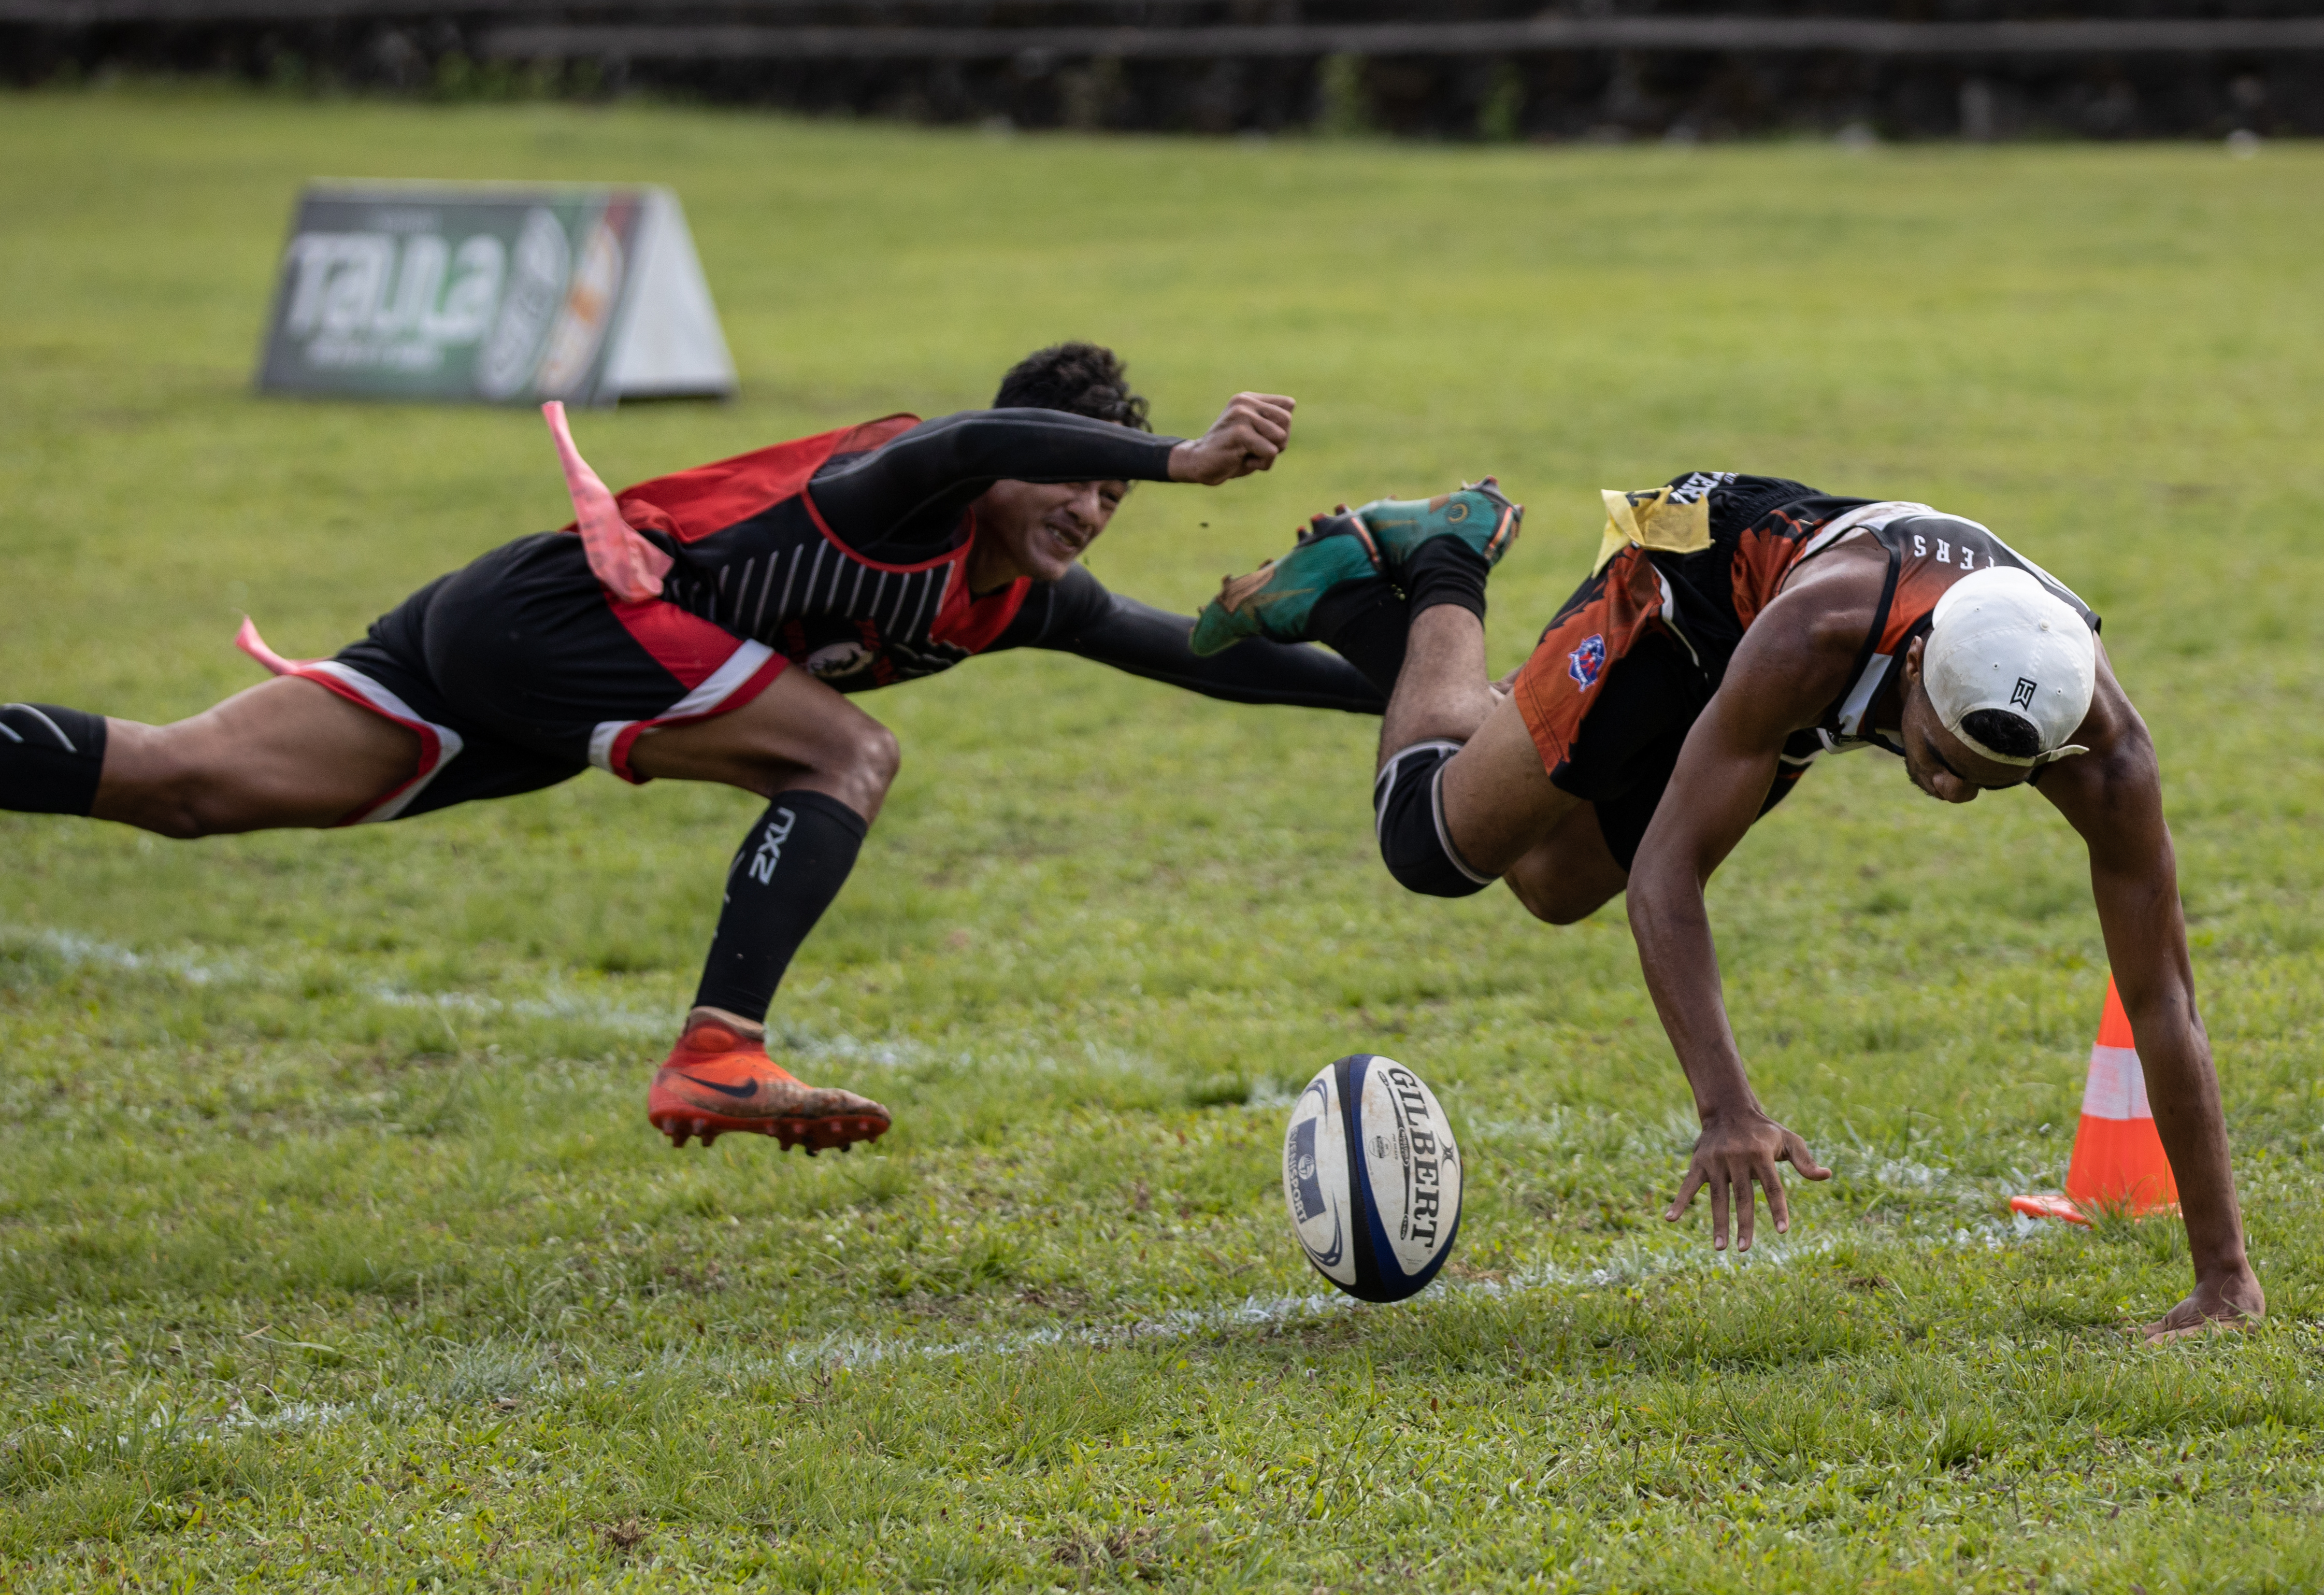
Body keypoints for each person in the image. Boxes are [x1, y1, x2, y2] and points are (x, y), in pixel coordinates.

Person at [1, 344, 1382, 1156]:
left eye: (1108, 492)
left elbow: (1202, 660)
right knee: (847, 756)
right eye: (1072, 475)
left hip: (517, 635)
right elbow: (969, 432)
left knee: (182, 784)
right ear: (999, 471)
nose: (1088, 506)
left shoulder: (1024, 598)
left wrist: (1416, 696)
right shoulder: (903, 488)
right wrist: (1178, 457)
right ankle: (721, 1049)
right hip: (554, 611)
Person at [1195, 471, 2263, 1338]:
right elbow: (1668, 879)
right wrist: (1726, 1109)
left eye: (1989, 782)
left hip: (1787, 670)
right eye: (1938, 757)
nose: (1947, 790)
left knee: (1554, 884)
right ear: (1914, 670)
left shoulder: (2104, 752)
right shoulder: (1816, 639)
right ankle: (1443, 557)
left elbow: (2162, 998)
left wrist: (2224, 1276)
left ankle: (1347, 606)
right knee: (1430, 845)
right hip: (1693, 587)